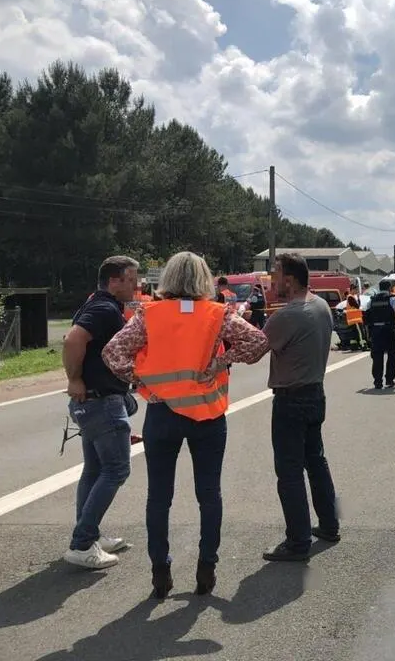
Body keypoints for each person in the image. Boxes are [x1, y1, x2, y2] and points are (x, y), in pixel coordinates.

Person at [102, 251, 269, 598]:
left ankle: (160, 571)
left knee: (159, 497)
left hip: (162, 414)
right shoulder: (218, 313)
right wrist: (222, 360)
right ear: (204, 279)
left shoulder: (148, 314)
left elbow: (112, 353)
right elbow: (257, 342)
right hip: (207, 414)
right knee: (209, 494)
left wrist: (140, 381)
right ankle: (206, 566)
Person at [61, 255, 140, 570]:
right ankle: (82, 543)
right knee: (116, 470)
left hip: (93, 402)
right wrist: (74, 378)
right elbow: (72, 340)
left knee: (94, 470)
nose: (137, 285)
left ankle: (89, 533)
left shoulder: (96, 304)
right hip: (101, 402)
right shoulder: (105, 309)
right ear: (115, 280)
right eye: (132, 279)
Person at [261, 252, 339, 562]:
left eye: (275, 274)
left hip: (290, 400)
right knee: (315, 462)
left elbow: (253, 350)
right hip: (315, 395)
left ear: (289, 281)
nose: (272, 280)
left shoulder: (288, 315)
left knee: (289, 472)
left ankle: (298, 541)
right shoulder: (320, 305)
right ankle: (329, 525)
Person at [364, 283, 395, 390]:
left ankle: (378, 382)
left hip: (376, 331)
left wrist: (368, 334)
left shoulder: (371, 300)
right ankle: (389, 380)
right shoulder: (393, 299)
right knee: (392, 355)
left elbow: (366, 318)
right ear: (390, 288)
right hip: (389, 330)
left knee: (377, 357)